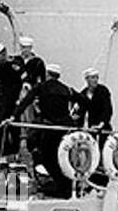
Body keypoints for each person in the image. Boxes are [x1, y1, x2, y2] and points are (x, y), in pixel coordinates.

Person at [14, 64, 83, 195]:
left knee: (47, 158)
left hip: (49, 128)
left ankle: (62, 185)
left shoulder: (41, 87)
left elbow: (26, 101)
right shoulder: (66, 89)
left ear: (47, 74)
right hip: (64, 128)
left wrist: (13, 116)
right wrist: (76, 115)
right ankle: (66, 185)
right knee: (61, 157)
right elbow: (83, 100)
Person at [79, 68, 114, 138]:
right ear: (87, 79)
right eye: (92, 78)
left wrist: (101, 124)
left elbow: (107, 109)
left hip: (104, 127)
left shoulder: (103, 91)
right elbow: (81, 112)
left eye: (96, 77)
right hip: (91, 127)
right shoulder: (83, 93)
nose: (95, 80)